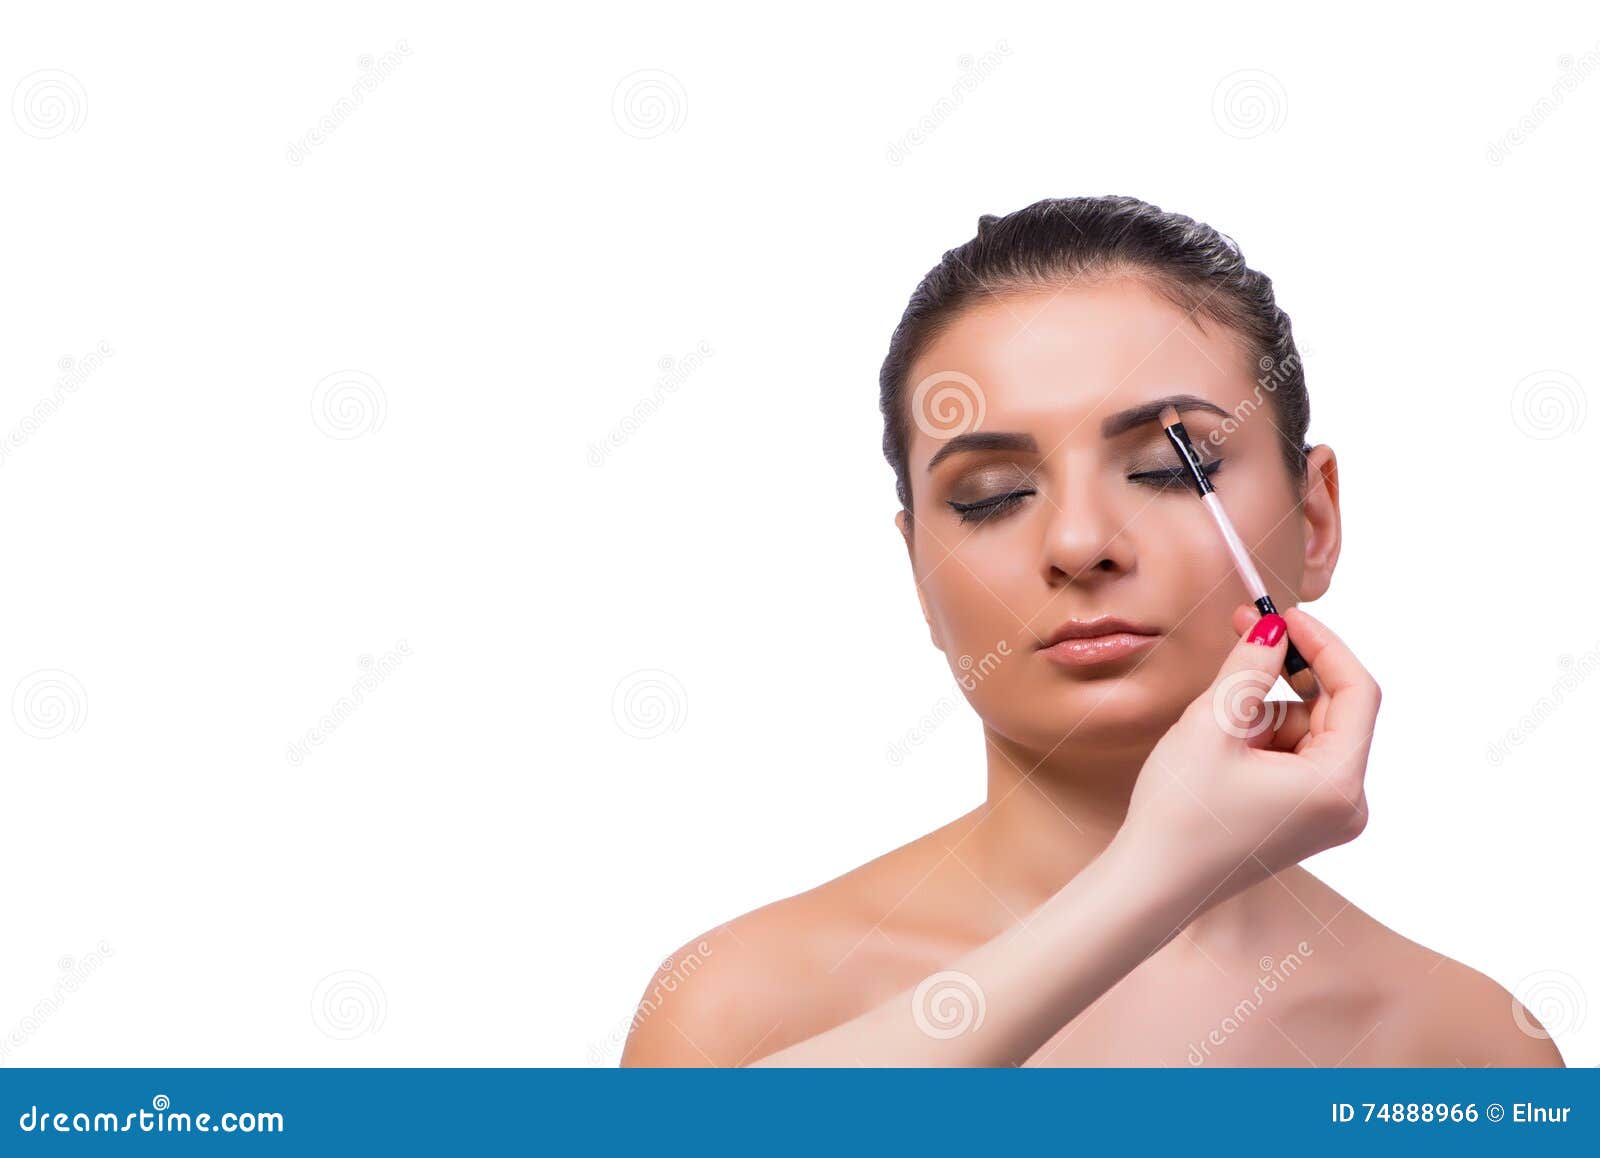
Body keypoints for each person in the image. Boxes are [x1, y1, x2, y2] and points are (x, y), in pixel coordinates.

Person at [621, 196, 1565, 1067]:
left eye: (1165, 469)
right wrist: (1149, 882)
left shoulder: (1466, 1050)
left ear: (1314, 522)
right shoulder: (737, 1010)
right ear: (917, 569)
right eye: (992, 497)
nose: (1078, 543)